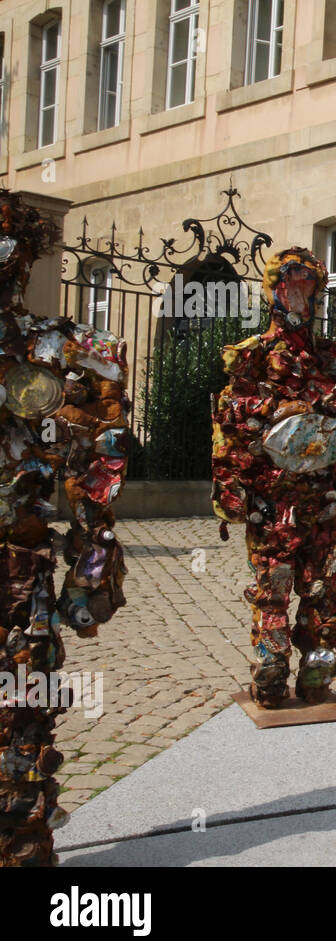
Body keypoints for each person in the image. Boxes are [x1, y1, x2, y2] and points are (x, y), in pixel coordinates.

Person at [0, 192, 130, 866]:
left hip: (22, 565)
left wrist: (91, 547)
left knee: (25, 704)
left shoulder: (56, 352)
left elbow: (103, 440)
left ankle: (23, 834)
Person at [211, 248, 336, 707]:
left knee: (321, 581)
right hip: (272, 494)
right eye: (291, 285)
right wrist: (232, 490)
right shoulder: (251, 359)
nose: (300, 294)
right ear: (274, 290)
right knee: (274, 582)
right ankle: (271, 665)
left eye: (309, 285)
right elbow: (228, 427)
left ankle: (316, 667)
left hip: (321, 493)